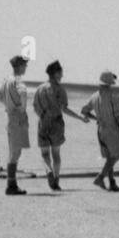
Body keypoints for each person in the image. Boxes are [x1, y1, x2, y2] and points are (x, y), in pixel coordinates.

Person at [33, 60, 88, 190]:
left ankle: (49, 172)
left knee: (44, 154)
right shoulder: (60, 89)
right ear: (56, 73)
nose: (62, 75)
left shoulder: (40, 89)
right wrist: (80, 117)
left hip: (43, 122)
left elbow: (35, 107)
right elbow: (64, 109)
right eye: (61, 72)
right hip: (57, 123)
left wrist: (43, 116)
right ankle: (56, 179)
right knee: (56, 154)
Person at [81, 71, 119, 190]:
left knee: (109, 157)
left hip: (100, 129)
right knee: (116, 154)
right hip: (112, 129)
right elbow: (118, 115)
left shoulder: (95, 96)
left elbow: (84, 111)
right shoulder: (114, 95)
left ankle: (112, 183)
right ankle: (100, 177)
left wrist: (96, 118)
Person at [0, 54, 31, 195]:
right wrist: (20, 108)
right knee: (15, 153)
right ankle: (11, 185)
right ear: (19, 66)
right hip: (17, 119)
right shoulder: (18, 82)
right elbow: (23, 98)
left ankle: (12, 184)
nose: (26, 67)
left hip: (10, 118)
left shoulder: (7, 80)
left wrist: (8, 106)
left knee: (13, 152)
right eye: (24, 64)